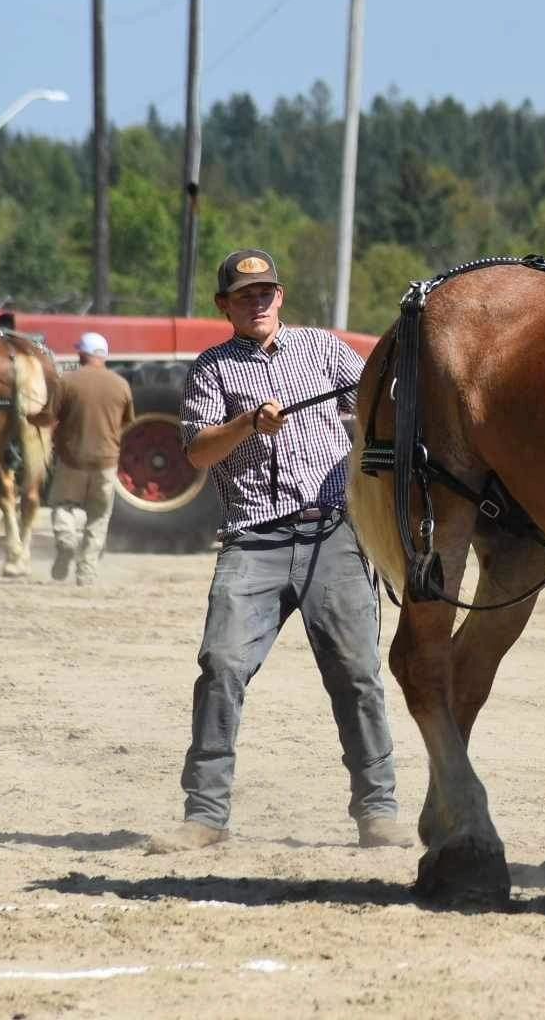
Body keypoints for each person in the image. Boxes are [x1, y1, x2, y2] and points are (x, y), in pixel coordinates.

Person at [147, 248, 413, 854]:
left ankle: (378, 810)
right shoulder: (212, 368)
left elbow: (375, 415)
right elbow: (196, 452)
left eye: (266, 292)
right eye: (245, 296)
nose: (258, 302)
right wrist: (246, 424)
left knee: (358, 676)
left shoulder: (324, 350)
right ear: (225, 307)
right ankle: (206, 814)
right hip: (252, 540)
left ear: (281, 297)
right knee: (221, 667)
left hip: (333, 539)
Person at [50, 331, 134, 585]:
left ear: (81, 354)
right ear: (104, 356)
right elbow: (128, 421)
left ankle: (66, 540)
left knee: (63, 504)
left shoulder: (66, 381)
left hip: (71, 459)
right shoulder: (121, 384)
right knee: (98, 516)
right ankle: (86, 572)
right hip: (106, 463)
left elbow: (48, 416)